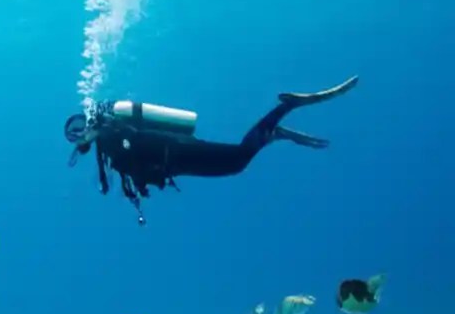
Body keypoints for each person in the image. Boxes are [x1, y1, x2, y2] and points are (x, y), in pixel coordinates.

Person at [65, 76, 358, 225]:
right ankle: (273, 133)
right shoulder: (106, 144)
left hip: (179, 153)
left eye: (78, 126)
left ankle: (286, 107)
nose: (78, 134)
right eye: (73, 135)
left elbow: (135, 149)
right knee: (237, 162)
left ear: (89, 120)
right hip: (178, 162)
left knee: (237, 161)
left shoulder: (111, 132)